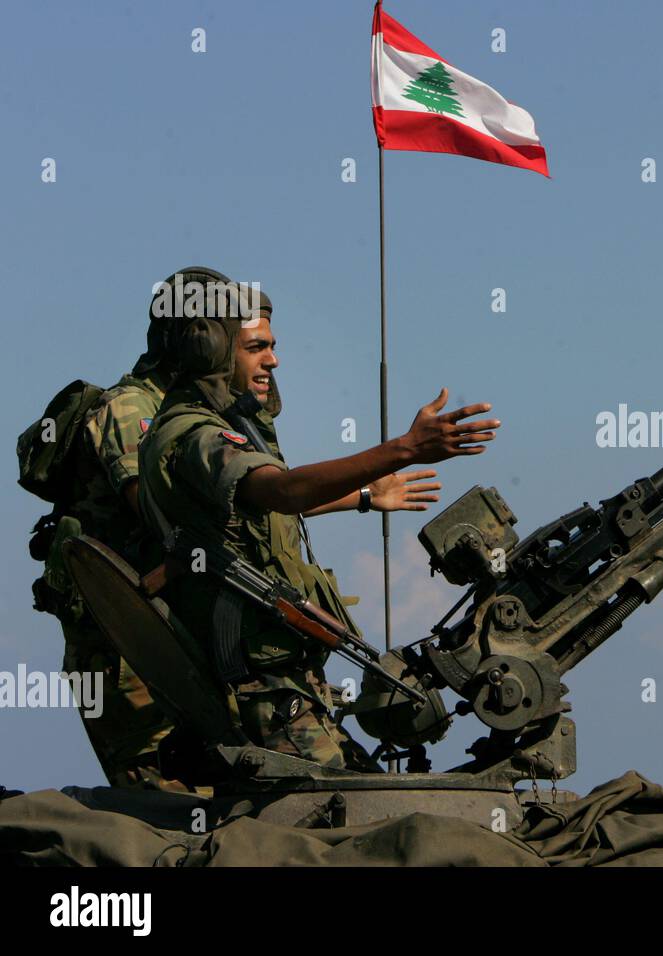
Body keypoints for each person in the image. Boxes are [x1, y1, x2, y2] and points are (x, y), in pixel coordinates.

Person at [138, 272, 498, 771]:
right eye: (256, 347)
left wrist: (368, 494)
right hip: (261, 693)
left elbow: (258, 516)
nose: (273, 360)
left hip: (285, 683)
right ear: (211, 354)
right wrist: (404, 450)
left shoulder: (227, 428)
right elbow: (282, 492)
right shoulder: (195, 436)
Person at [22, 269, 239, 790]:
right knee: (158, 799)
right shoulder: (131, 409)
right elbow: (158, 509)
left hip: (164, 638)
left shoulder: (181, 411)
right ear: (199, 340)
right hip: (124, 643)